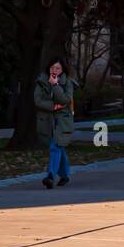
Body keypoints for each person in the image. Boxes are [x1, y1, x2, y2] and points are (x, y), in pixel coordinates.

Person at [34, 58, 78, 189]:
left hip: (62, 121)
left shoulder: (68, 82)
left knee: (55, 147)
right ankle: (64, 176)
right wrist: (53, 106)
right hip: (47, 120)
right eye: (52, 68)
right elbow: (38, 100)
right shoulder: (41, 82)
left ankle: (50, 176)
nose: (55, 71)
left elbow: (65, 99)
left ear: (62, 70)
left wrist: (56, 86)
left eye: (58, 68)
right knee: (59, 148)